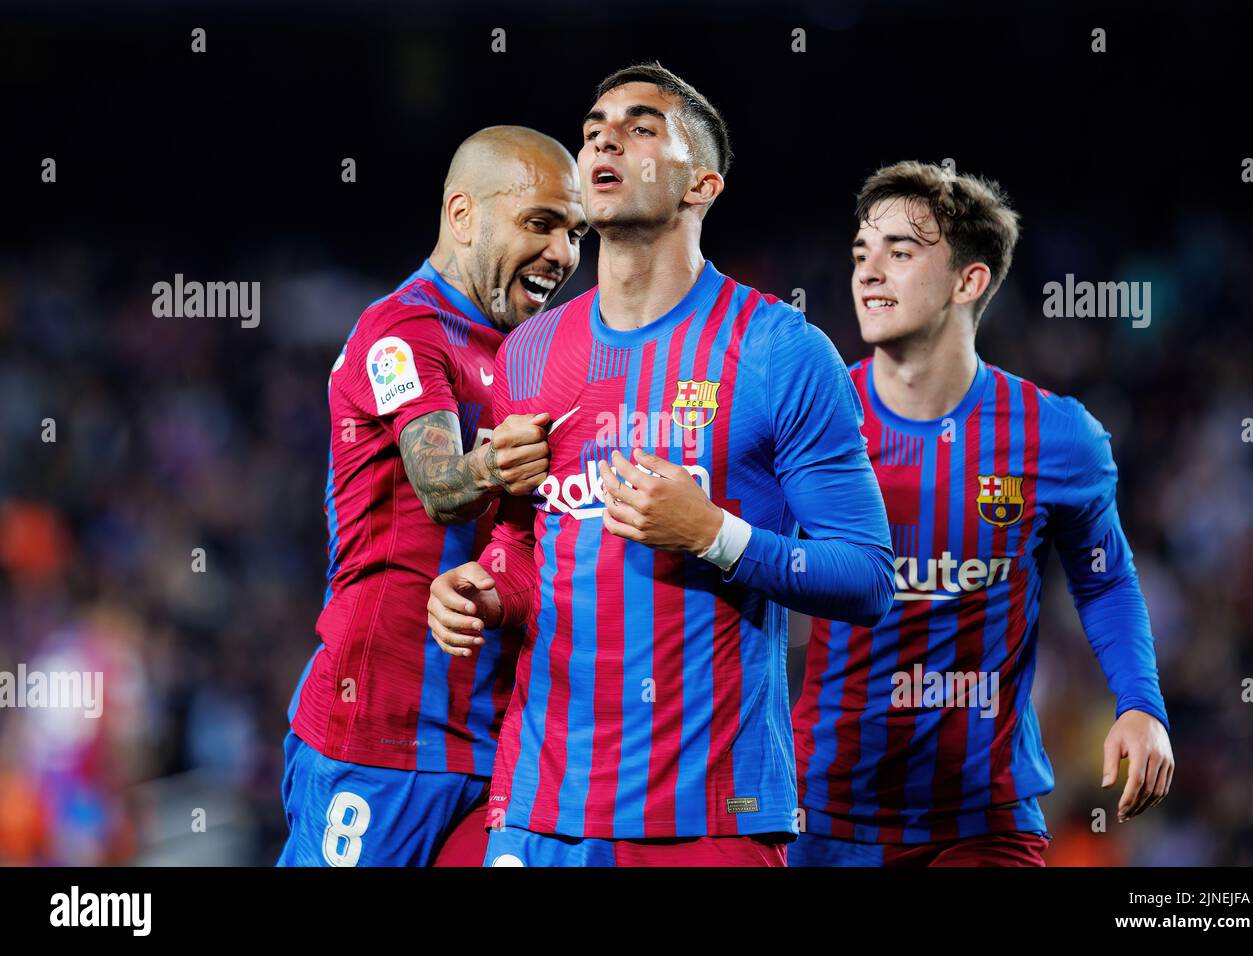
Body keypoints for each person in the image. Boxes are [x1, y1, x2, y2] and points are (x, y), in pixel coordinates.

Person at [425, 63, 895, 866]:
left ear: (701, 186)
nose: (604, 136)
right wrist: (479, 589)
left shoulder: (778, 351)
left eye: (641, 127)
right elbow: (523, 549)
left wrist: (716, 535)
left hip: (708, 818)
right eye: (595, 126)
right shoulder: (532, 352)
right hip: (543, 806)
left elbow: (866, 577)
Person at [791, 161, 1174, 866]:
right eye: (861, 253)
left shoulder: (1057, 438)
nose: (868, 272)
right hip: (823, 817)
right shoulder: (810, 419)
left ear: (969, 282)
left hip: (983, 822)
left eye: (900, 253)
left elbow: (1104, 579)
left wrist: (1140, 703)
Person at [279, 126, 586, 866]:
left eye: (575, 232)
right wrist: (497, 465)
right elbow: (443, 486)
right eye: (539, 223)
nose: (565, 254)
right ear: (463, 215)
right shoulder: (403, 331)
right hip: (380, 735)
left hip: (501, 742)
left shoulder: (542, 353)